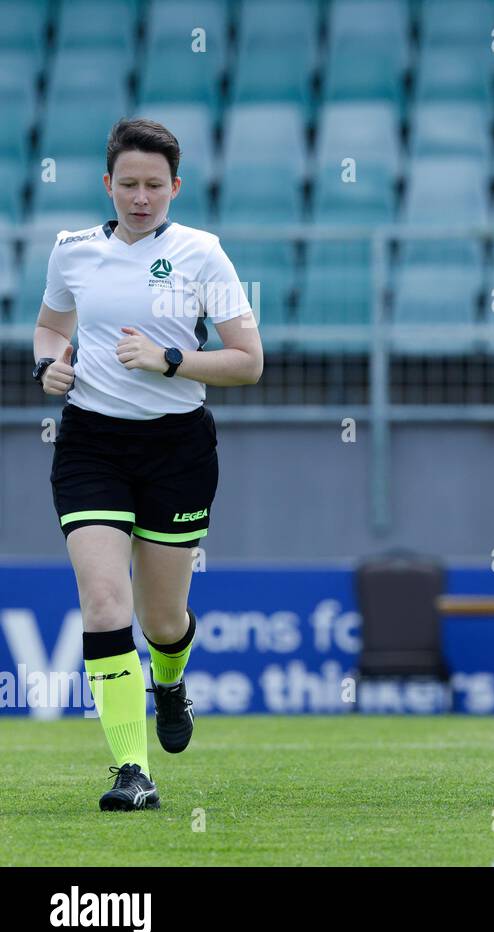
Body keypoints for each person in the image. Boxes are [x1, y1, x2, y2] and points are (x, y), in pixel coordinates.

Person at [34, 118, 263, 811]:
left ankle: (170, 682)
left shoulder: (203, 254)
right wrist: (50, 363)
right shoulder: (72, 252)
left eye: (154, 186)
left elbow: (248, 363)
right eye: (128, 184)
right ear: (108, 185)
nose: (140, 197)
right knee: (105, 602)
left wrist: (170, 360)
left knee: (163, 620)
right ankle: (132, 771)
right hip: (91, 446)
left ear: (175, 187)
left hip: (177, 447)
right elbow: (51, 327)